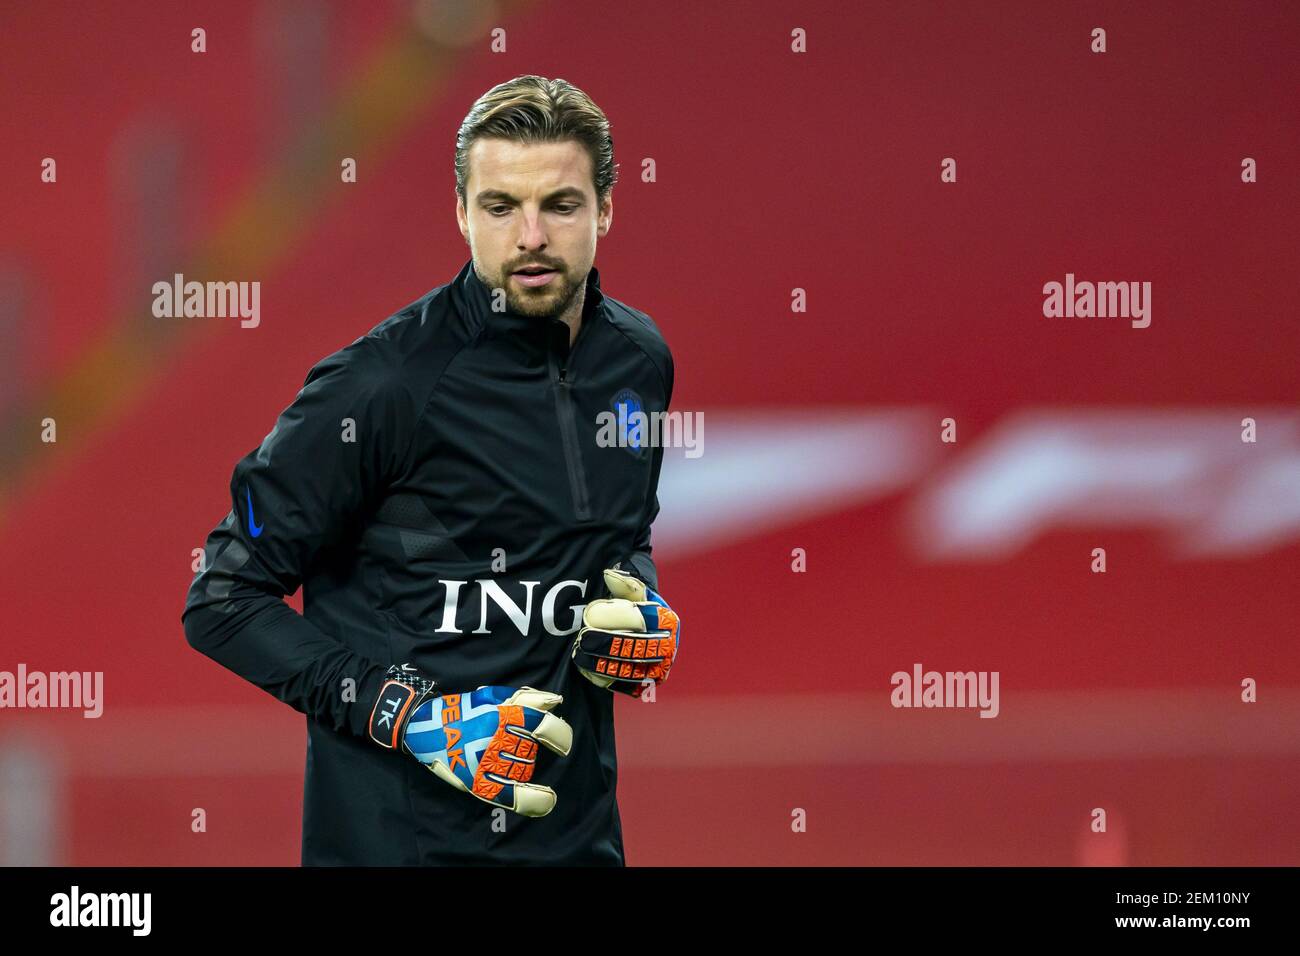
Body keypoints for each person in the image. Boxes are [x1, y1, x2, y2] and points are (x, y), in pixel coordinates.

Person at [182, 75, 679, 866]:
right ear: (460, 213)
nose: (530, 237)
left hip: (580, 844)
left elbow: (622, 539)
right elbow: (221, 598)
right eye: (499, 206)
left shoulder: (638, 362)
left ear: (607, 209)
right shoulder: (379, 386)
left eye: (559, 204)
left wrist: (641, 606)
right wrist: (407, 713)